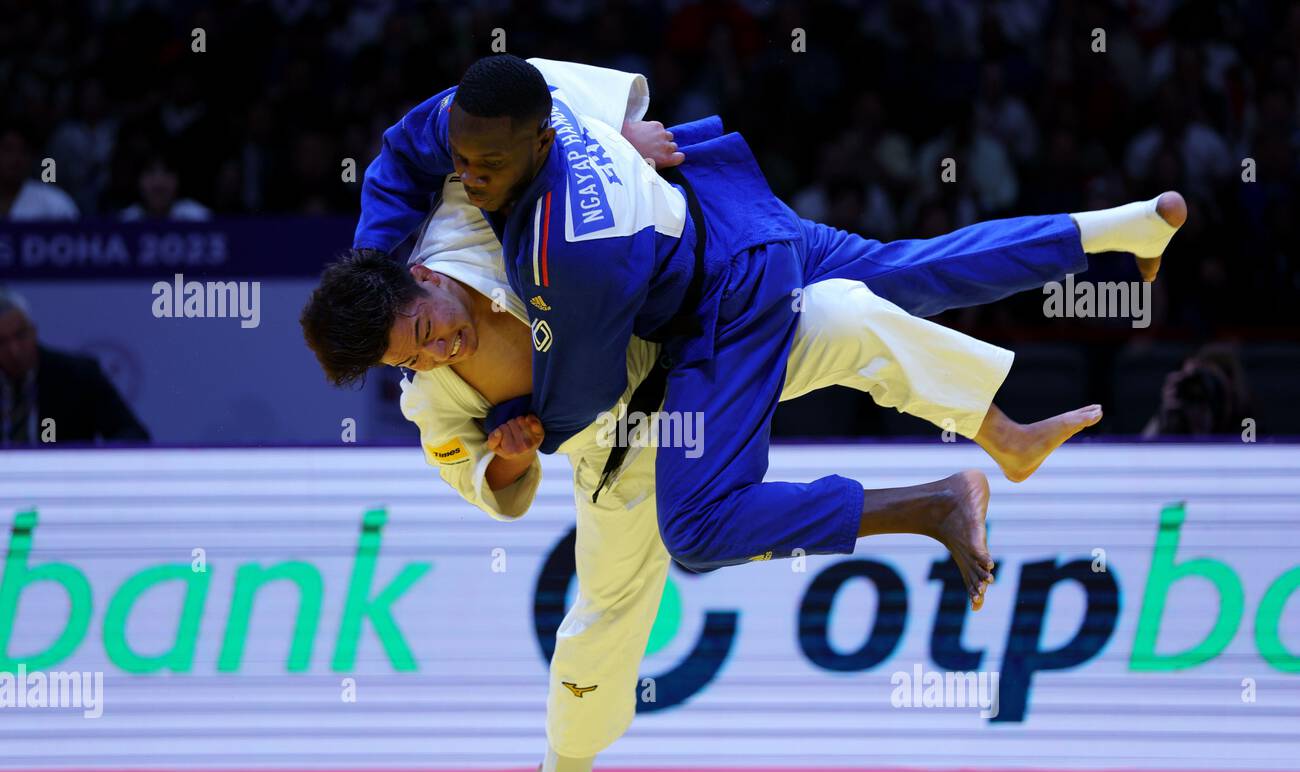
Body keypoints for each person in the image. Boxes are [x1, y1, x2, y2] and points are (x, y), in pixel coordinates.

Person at [344, 54, 1183, 579]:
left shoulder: (565, 255)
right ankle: (1122, 226)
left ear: (539, 146)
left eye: (489, 165)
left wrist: (520, 420)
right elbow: (404, 154)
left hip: (727, 295)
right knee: (912, 269)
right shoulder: (502, 108)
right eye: (463, 161)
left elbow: (590, 391)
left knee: (699, 529)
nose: (471, 177)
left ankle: (933, 500)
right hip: (734, 205)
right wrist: (377, 267)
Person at [0, 288, 150, 445]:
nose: (14, 351)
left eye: (20, 336)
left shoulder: (77, 375)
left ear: (34, 332)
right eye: (2, 342)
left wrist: (95, 461)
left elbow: (132, 433)